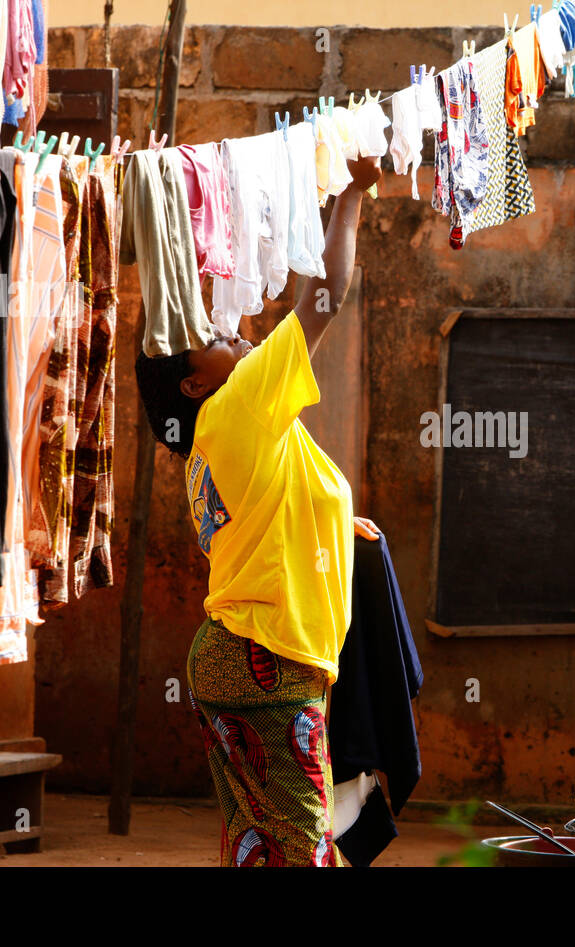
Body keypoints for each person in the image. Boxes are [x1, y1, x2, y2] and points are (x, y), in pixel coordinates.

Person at [134, 154, 383, 866]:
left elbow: (269, 517)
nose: (235, 328)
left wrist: (336, 526)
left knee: (262, 847)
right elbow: (329, 294)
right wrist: (354, 190)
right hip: (266, 661)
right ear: (191, 385)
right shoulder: (238, 406)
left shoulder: (214, 444)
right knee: (303, 851)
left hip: (245, 659)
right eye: (215, 338)